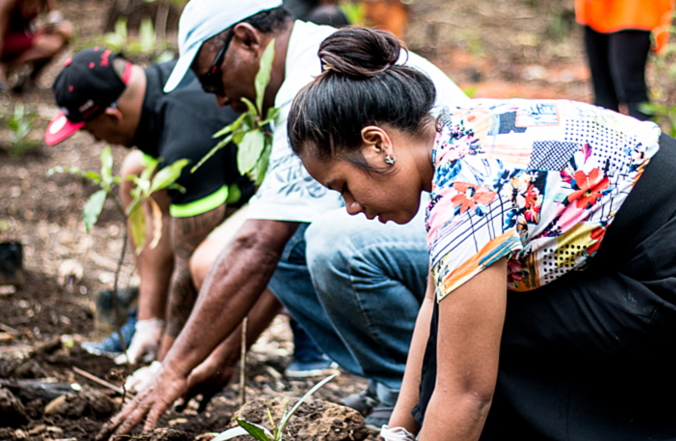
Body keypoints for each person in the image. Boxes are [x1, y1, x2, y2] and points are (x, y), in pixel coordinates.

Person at [286, 27, 676, 441]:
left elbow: (466, 394)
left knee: (478, 345)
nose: (351, 208)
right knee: (460, 324)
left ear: (377, 145)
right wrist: (399, 431)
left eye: (344, 187)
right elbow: (436, 303)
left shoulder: (467, 186)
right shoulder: (457, 135)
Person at [97, 0, 468, 438]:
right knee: (307, 237)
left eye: (213, 78)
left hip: (463, 224)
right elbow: (282, 245)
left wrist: (172, 370)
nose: (218, 98)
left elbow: (259, 245)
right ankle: (392, 384)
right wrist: (222, 359)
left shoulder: (307, 84)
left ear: (248, 41)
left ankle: (411, 389)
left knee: (334, 244)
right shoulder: (313, 59)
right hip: (432, 228)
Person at [44, 48, 286, 376]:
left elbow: (185, 271)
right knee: (135, 172)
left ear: (113, 117)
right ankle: (147, 323)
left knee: (205, 266)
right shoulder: (161, 80)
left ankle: (305, 334)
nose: (99, 141)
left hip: (284, 199)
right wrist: (150, 323)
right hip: (229, 175)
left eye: (91, 131)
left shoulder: (186, 138)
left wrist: (166, 365)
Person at [575, 0, 675, 121]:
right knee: (603, 96)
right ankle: (607, 139)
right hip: (595, 10)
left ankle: (648, 138)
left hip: (634, 10)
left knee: (632, 92)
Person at [0, 0, 72, 93]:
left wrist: (56, 25)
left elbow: (53, 17)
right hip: (4, 42)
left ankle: (28, 79)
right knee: (50, 45)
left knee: (66, 31)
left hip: (23, 36)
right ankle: (3, 69)